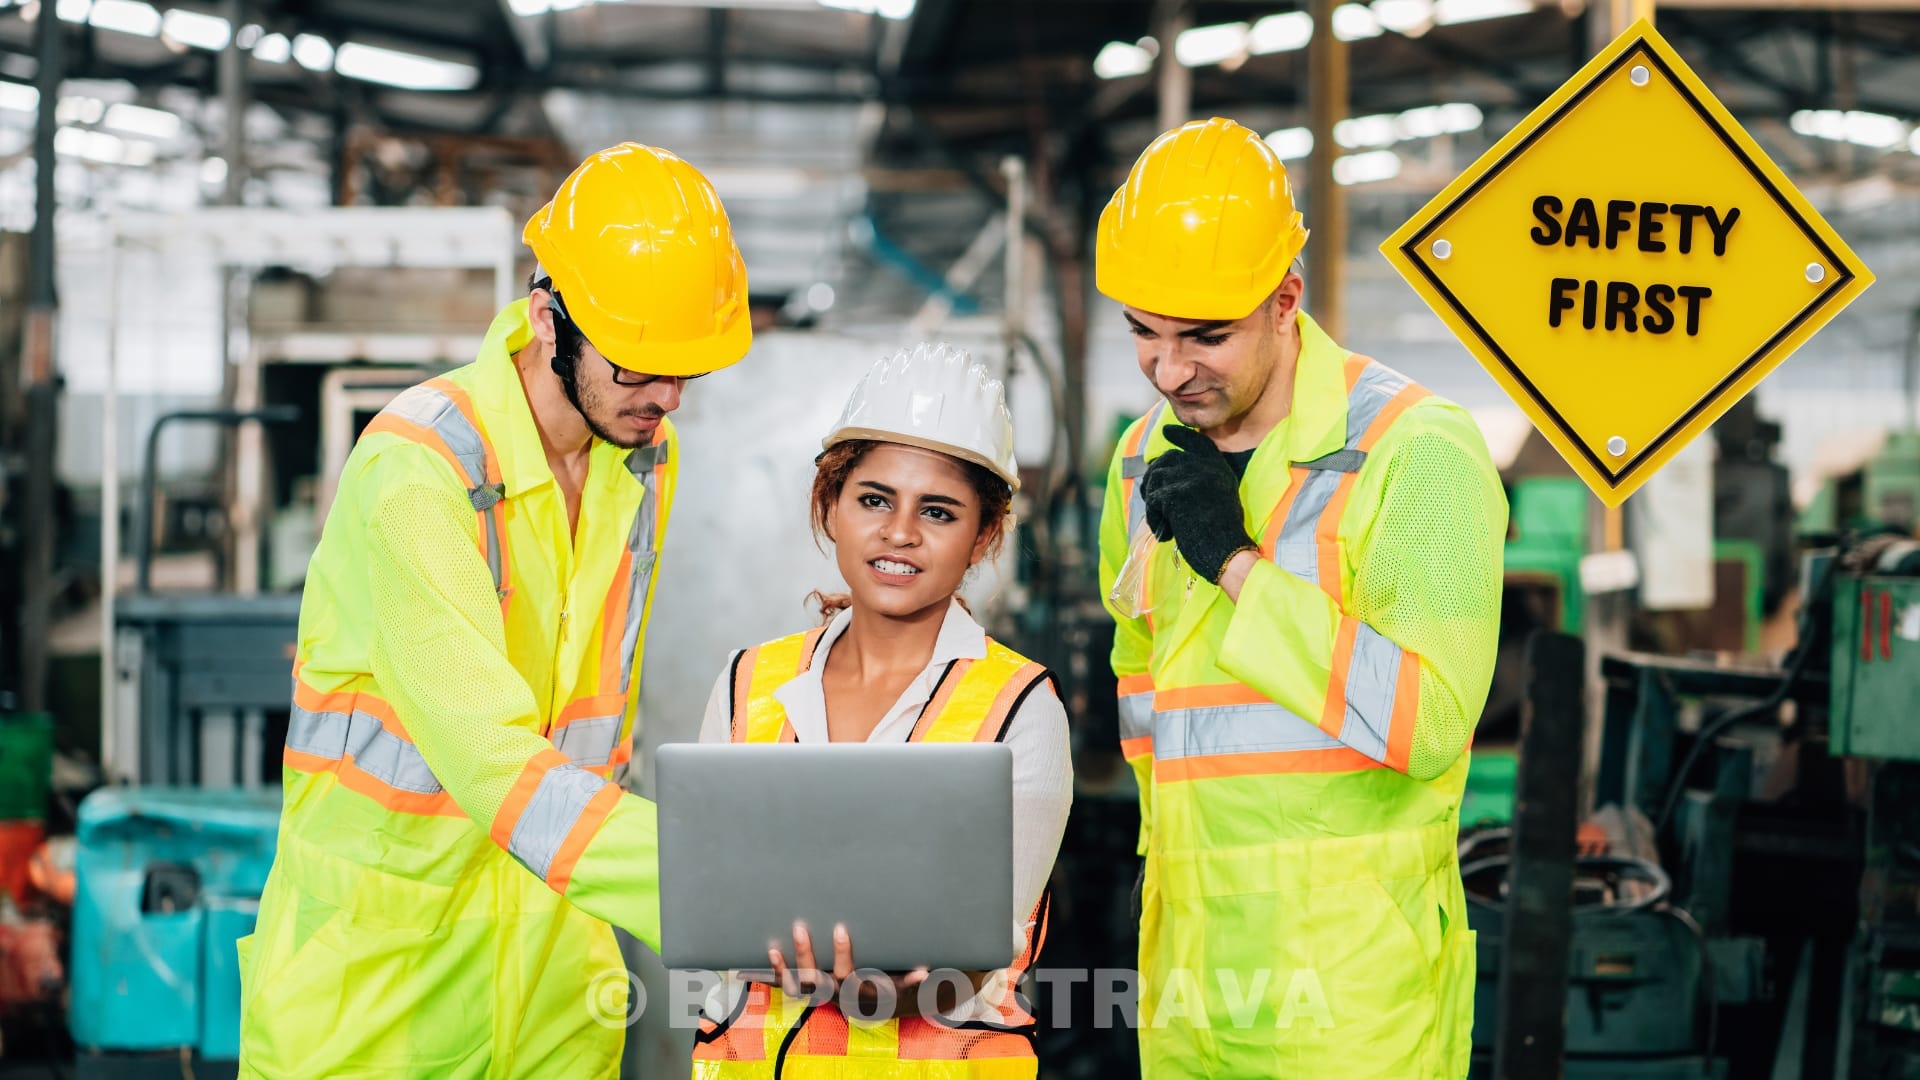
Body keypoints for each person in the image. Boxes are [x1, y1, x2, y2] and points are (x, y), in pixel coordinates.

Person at [237, 142, 753, 1078]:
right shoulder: (417, 471)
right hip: (386, 989)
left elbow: (591, 727)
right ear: (550, 321)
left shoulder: (640, 461)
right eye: (639, 368)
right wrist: (729, 893)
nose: (667, 399)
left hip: (554, 975)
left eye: (689, 373)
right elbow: (492, 757)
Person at [1095, 116, 1508, 1077]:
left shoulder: (1418, 452)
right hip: (1192, 983)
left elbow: (1430, 720)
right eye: (1144, 336)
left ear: (1287, 301)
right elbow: (1141, 678)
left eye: (1205, 337)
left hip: (1350, 1003)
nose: (1168, 372)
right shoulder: (1141, 460)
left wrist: (1235, 563)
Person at [690, 343, 1072, 1078]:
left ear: (982, 536)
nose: (900, 532)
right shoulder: (747, 684)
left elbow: (985, 957)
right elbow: (710, 910)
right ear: (828, 505)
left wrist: (886, 991)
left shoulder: (1020, 708)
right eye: (874, 499)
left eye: (938, 511)